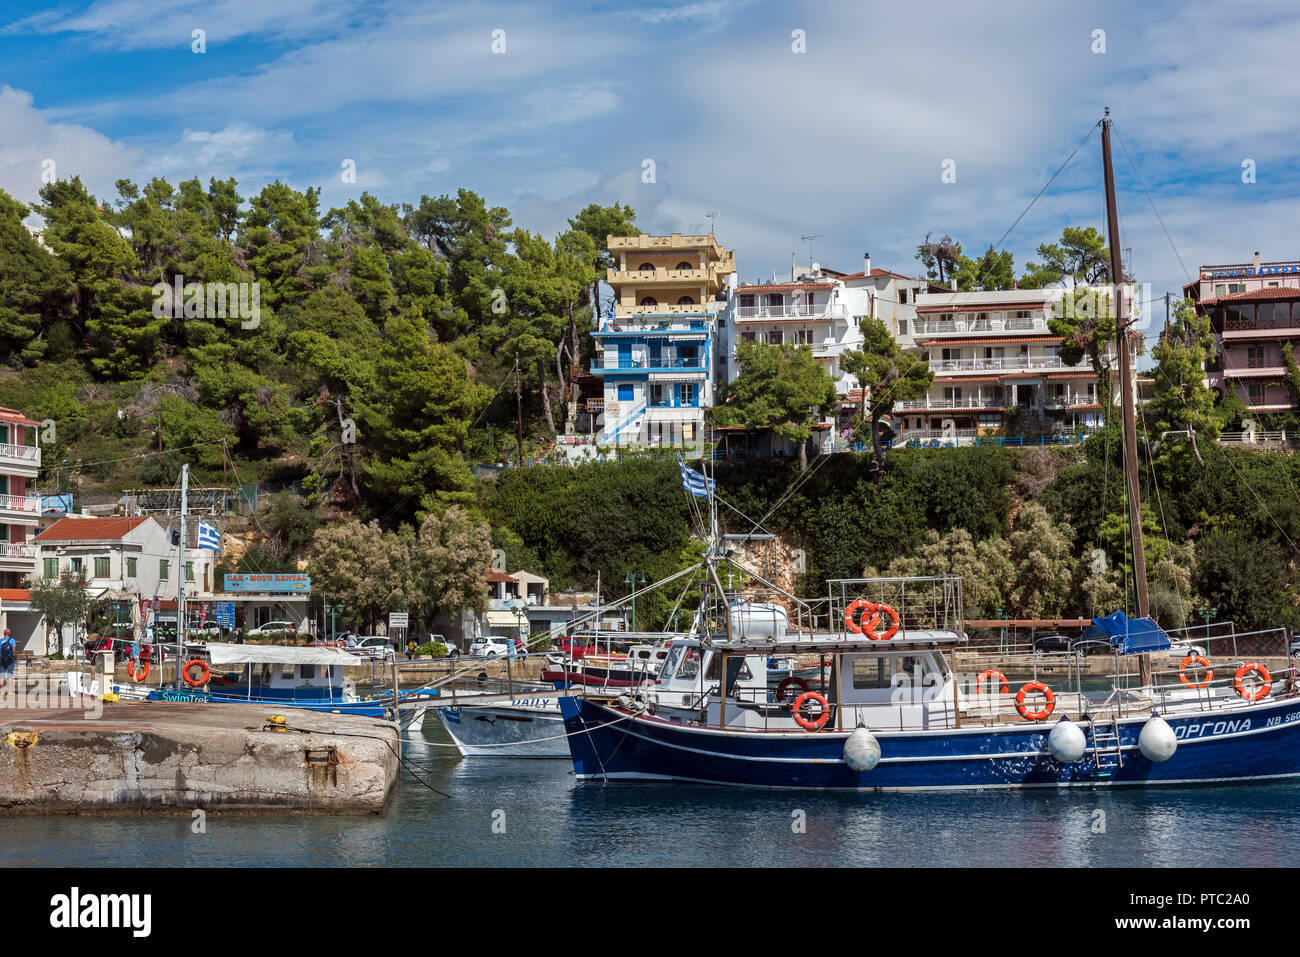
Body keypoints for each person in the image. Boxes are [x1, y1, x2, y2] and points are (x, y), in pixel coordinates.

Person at [0, 629, 15, 693]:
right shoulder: (12, 640)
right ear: (9, 633)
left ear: (4, 633)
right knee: (10, 676)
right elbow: (13, 650)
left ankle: (1, 691)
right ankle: (10, 692)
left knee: (2, 675)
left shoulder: (0, 640)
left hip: (2, 660)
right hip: (10, 660)